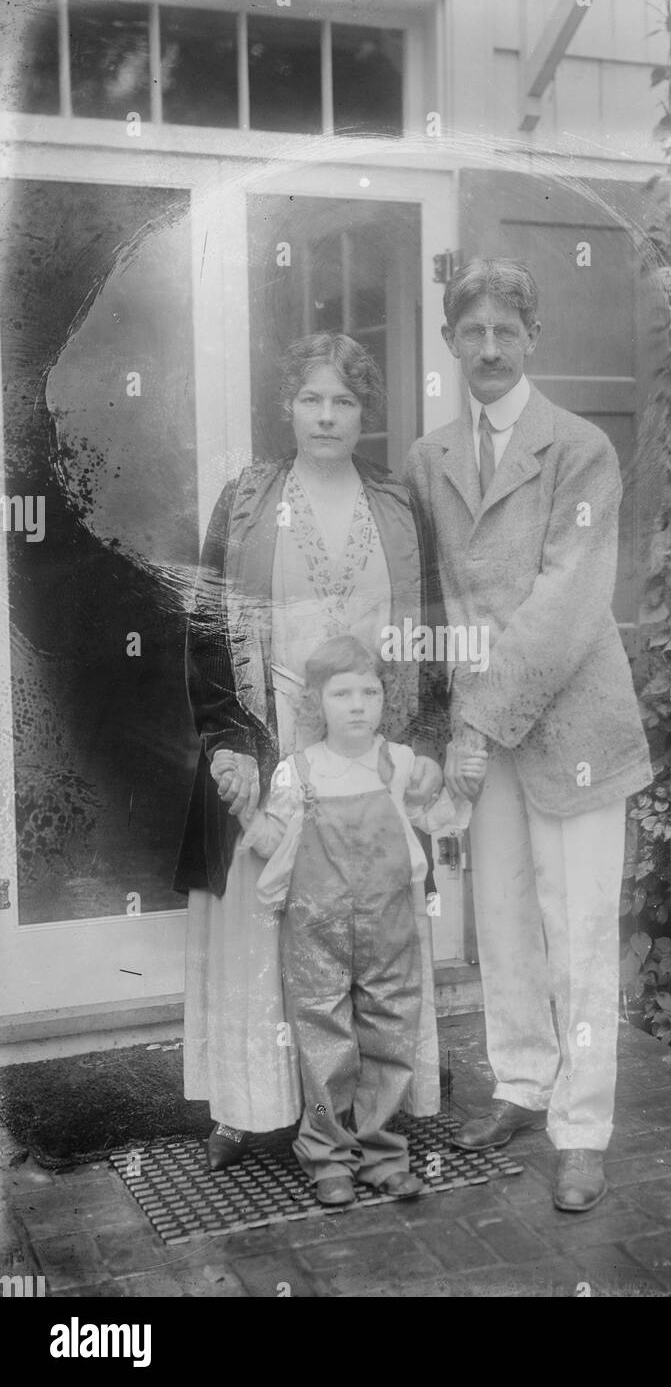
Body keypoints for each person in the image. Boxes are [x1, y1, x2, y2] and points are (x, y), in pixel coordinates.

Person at [403, 258, 652, 1213]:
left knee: (580, 935)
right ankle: (520, 1082)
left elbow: (565, 608)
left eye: (508, 331)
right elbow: (435, 601)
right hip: (481, 739)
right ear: (451, 342)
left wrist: (476, 720)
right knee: (501, 920)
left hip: (573, 727)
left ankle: (581, 1129)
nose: (492, 349)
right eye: (474, 333)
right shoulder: (431, 460)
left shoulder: (580, 449)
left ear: (532, 338)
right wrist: (448, 731)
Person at [174, 333, 445, 1171]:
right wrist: (228, 740)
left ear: (365, 414)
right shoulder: (249, 500)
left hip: (367, 739)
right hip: (270, 733)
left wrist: (425, 737)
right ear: (286, 407)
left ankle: (371, 1108)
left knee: (365, 926)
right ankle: (251, 1104)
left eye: (344, 402)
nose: (326, 416)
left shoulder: (397, 506)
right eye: (310, 400)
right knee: (266, 916)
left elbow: (426, 633)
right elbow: (207, 624)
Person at [237, 635, 482, 1206]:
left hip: (389, 922)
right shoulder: (297, 771)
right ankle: (327, 1155)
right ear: (315, 703)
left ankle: (381, 1151)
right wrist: (246, 812)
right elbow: (272, 842)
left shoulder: (400, 763)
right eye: (341, 692)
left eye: (369, 691)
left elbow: (438, 816)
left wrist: (463, 785)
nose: (357, 705)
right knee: (325, 1041)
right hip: (316, 927)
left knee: (390, 1031)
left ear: (384, 700)